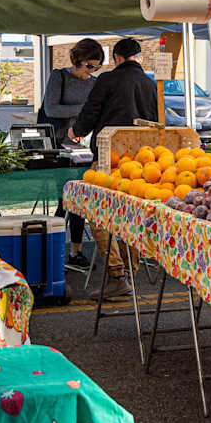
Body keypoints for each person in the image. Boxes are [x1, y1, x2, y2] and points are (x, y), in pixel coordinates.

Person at [69, 38, 158, 299]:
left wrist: (75, 131)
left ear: (117, 57)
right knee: (131, 215)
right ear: (138, 58)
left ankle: (117, 275)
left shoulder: (107, 80)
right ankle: (131, 270)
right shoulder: (152, 85)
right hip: (140, 163)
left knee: (98, 213)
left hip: (109, 159)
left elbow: (90, 112)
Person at [39, 38, 105, 269]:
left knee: (77, 199)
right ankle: (56, 249)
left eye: (96, 67)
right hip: (58, 147)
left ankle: (72, 250)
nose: (92, 71)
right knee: (66, 199)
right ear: (76, 60)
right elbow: (51, 108)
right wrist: (87, 109)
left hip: (82, 148)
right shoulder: (59, 76)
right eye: (89, 65)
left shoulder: (95, 83)